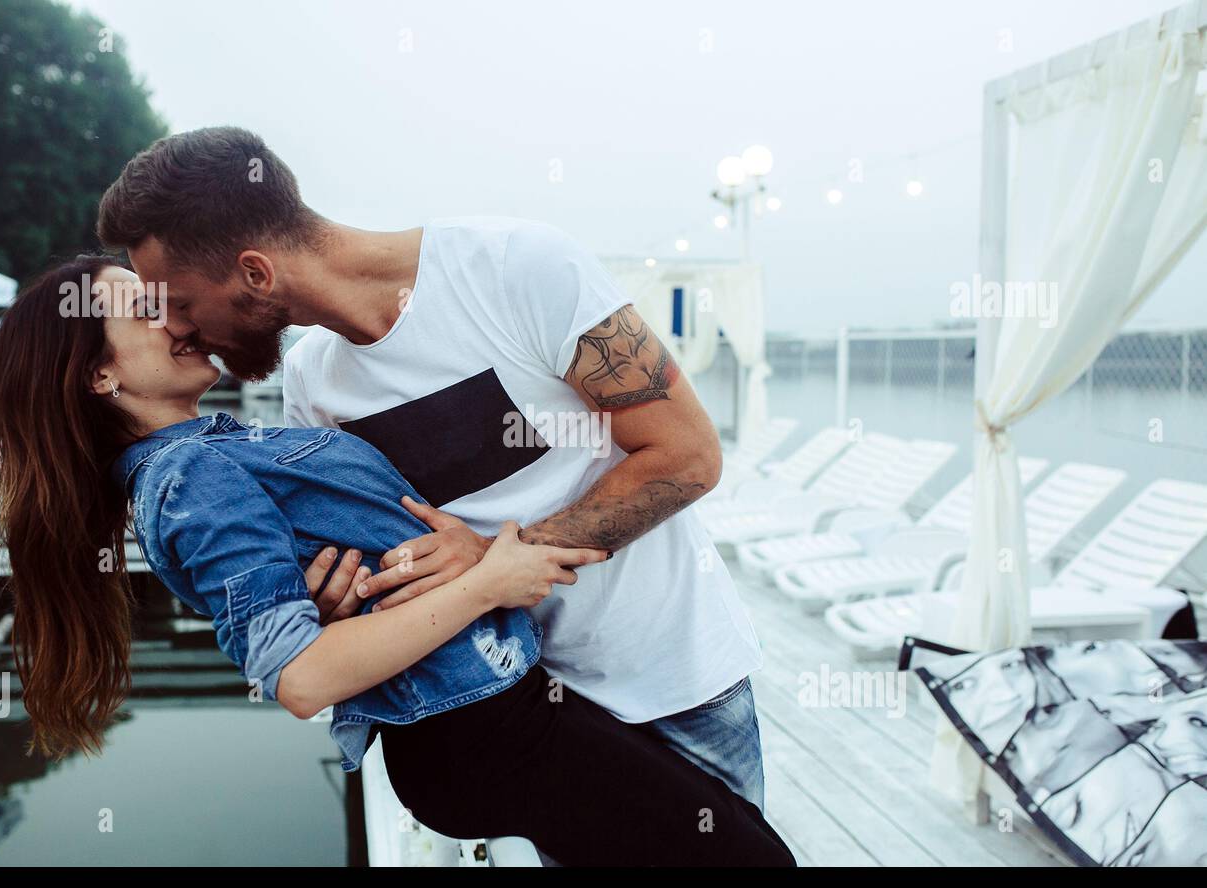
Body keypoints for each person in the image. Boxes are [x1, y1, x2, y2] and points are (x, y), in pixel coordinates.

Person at [0, 257, 796, 867]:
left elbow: (315, 606)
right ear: (100, 372)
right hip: (477, 730)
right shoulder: (189, 476)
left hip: (495, 712)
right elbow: (299, 676)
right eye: (144, 310)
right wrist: (488, 581)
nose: (174, 316)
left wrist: (346, 599)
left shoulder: (207, 450)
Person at [96, 126, 768, 808]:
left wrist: (495, 558)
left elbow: (686, 457)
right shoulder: (310, 383)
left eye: (178, 303)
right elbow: (348, 583)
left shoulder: (518, 268)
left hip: (675, 682)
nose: (177, 329)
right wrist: (336, 602)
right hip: (519, 711)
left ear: (255, 273)